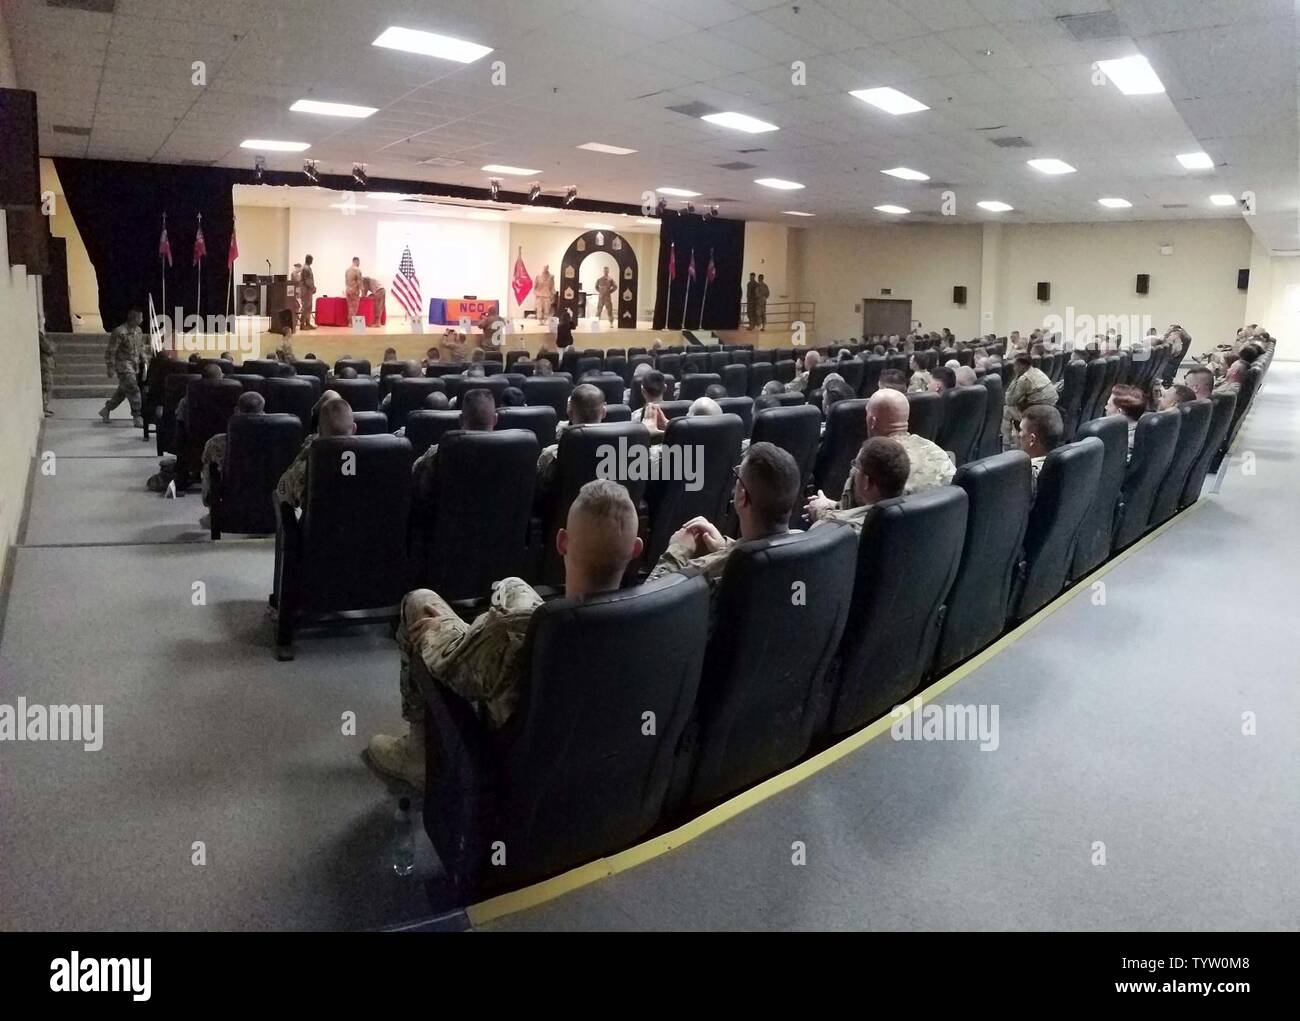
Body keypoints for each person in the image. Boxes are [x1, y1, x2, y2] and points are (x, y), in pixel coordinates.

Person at [367, 479, 643, 786]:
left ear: (562, 542)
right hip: (589, 761)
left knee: (419, 601)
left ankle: (417, 755)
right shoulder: (655, 620)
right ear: (635, 550)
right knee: (513, 585)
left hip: (510, 743)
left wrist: (437, 633)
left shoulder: (522, 630)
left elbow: (448, 661)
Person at [646, 442, 801, 593]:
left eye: (738, 476)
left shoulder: (702, 570)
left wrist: (677, 550)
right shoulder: (811, 546)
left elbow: (651, 601)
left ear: (742, 497)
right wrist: (727, 547)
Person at [808, 389, 953, 514]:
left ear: (872, 421)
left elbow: (848, 520)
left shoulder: (870, 463)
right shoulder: (938, 452)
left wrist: (822, 510)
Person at [410, 389, 497, 514]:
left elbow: (418, 489)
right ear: (495, 419)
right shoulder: (517, 453)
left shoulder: (437, 453)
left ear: (460, 419)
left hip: (445, 529)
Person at [807, 437, 910, 532]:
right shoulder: (913, 516)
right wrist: (835, 506)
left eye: (856, 465)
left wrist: (819, 513)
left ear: (866, 482)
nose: (854, 471)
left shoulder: (840, 532)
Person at [275, 395, 356, 509]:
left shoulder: (305, 466)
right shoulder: (370, 460)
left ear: (319, 431)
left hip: (315, 525)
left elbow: (282, 495)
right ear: (354, 429)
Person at [537, 383, 606, 500]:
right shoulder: (622, 448)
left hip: (566, 516)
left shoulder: (551, 454)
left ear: (569, 413)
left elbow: (540, 490)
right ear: (604, 412)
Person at [200, 391, 266, 507]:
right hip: (268, 494)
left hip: (233, 494)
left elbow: (206, 462)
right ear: (263, 413)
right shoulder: (275, 439)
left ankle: (213, 510)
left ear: (236, 410)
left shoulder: (217, 442)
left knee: (209, 468)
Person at [99, 308, 147, 427]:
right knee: (133, 388)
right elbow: (111, 351)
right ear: (134, 318)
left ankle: (106, 409)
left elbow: (140, 348)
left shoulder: (138, 331)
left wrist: (144, 359)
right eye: (140, 317)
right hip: (123, 366)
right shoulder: (120, 332)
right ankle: (137, 416)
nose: (142, 319)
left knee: (123, 392)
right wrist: (110, 367)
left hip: (134, 365)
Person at [1001, 352, 1057, 447]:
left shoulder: (1024, 379)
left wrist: (1015, 379)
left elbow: (1010, 400)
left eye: (1015, 366)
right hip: (1052, 408)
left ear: (1021, 366)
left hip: (1039, 413)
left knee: (1007, 410)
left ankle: (1007, 443)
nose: (1013, 368)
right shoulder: (1036, 371)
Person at [1019, 404, 1064, 496]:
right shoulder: (1066, 467)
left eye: (1020, 430)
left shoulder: (1024, 477)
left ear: (1032, 439)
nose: (1015, 434)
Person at [1105, 383, 1146, 460]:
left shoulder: (1118, 444)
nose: (1105, 407)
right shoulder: (1142, 433)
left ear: (1119, 412)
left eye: (1108, 405)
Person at [38, 326, 55, 417]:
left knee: (48, 387)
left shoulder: (41, 335)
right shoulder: (40, 336)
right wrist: (52, 345)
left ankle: (45, 406)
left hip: (47, 365)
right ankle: (44, 407)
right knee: (46, 386)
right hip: (44, 365)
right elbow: (49, 348)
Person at [298, 255, 316, 330]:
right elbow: (307, 280)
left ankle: (307, 323)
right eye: (311, 260)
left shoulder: (307, 267)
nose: (312, 261)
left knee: (308, 307)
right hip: (305, 291)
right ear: (308, 260)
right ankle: (302, 325)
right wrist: (313, 287)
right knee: (305, 307)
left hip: (308, 291)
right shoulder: (305, 268)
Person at [345, 257, 363, 322]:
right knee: (354, 307)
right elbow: (360, 281)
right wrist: (362, 290)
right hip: (354, 291)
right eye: (359, 262)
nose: (359, 263)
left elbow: (346, 281)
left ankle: (349, 322)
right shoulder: (357, 270)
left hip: (348, 290)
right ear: (356, 261)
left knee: (350, 307)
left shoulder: (347, 270)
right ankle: (352, 323)